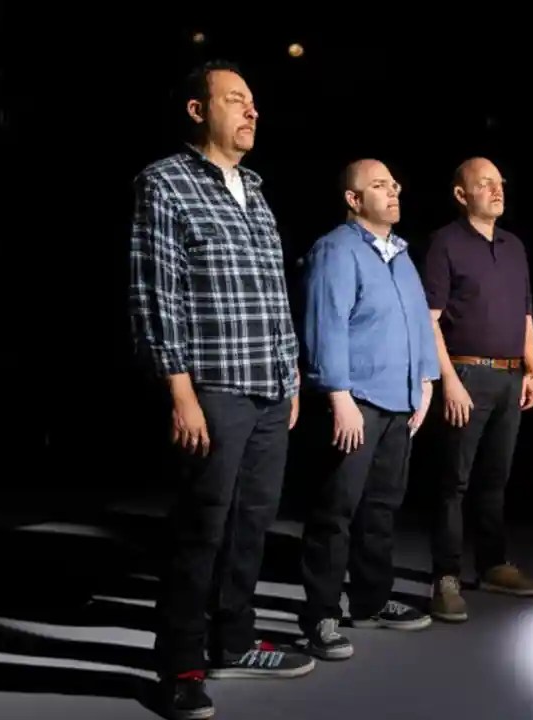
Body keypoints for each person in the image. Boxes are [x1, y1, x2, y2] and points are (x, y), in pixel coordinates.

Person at [129, 59, 314, 720]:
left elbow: (274, 291)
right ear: (197, 110)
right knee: (201, 528)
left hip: (270, 385)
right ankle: (180, 666)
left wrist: (291, 374)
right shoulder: (164, 183)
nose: (251, 110)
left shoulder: (255, 190)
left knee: (252, 525)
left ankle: (233, 642)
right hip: (213, 386)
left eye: (253, 101)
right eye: (236, 99)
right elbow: (156, 294)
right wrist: (180, 393)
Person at [295, 158, 439, 661]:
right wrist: (338, 396)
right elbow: (324, 323)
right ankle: (320, 615)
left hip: (400, 402)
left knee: (382, 509)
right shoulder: (336, 250)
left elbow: (419, 321)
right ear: (354, 199)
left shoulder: (400, 254)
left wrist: (425, 382)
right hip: (356, 402)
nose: (393, 191)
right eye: (379, 185)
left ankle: (371, 601)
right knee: (335, 512)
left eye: (394, 183)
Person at [422, 157, 533, 624]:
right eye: (485, 183)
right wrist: (449, 380)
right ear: (461, 194)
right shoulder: (445, 243)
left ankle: (493, 564)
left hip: (511, 377)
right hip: (468, 376)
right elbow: (429, 320)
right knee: (453, 482)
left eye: (500, 182)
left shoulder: (514, 246)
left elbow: (526, 313)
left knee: (495, 479)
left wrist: (531, 368)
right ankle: (445, 577)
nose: (497, 190)